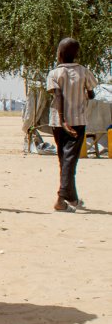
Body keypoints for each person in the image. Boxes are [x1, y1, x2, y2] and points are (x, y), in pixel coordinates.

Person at [46, 37, 97, 212]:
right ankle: (61, 199)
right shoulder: (84, 72)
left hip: (58, 123)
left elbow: (58, 96)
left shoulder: (54, 74)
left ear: (59, 55)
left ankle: (72, 198)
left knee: (64, 159)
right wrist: (85, 93)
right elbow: (92, 94)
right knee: (70, 160)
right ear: (76, 55)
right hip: (77, 122)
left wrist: (61, 119)